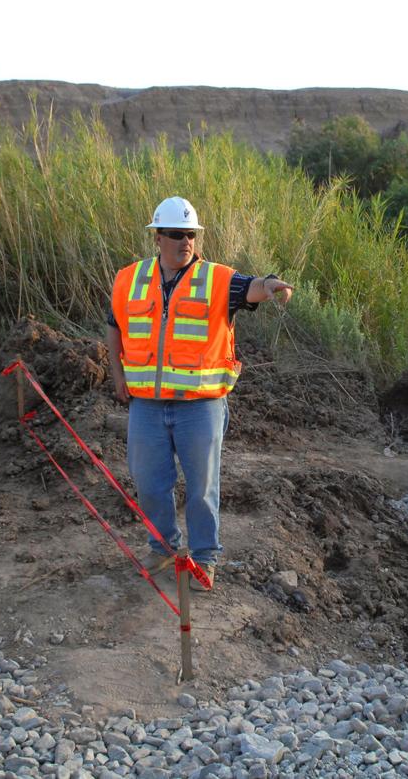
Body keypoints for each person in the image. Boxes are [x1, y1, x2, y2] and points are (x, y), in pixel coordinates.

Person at [106, 196, 293, 591]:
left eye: (191, 234)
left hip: (201, 407)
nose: (185, 241)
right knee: (148, 483)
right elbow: (114, 325)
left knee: (202, 488)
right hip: (147, 406)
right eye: (177, 234)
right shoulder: (129, 278)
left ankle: (205, 558)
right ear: (158, 237)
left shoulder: (217, 279)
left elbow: (250, 288)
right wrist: (116, 373)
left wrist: (269, 286)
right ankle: (162, 546)